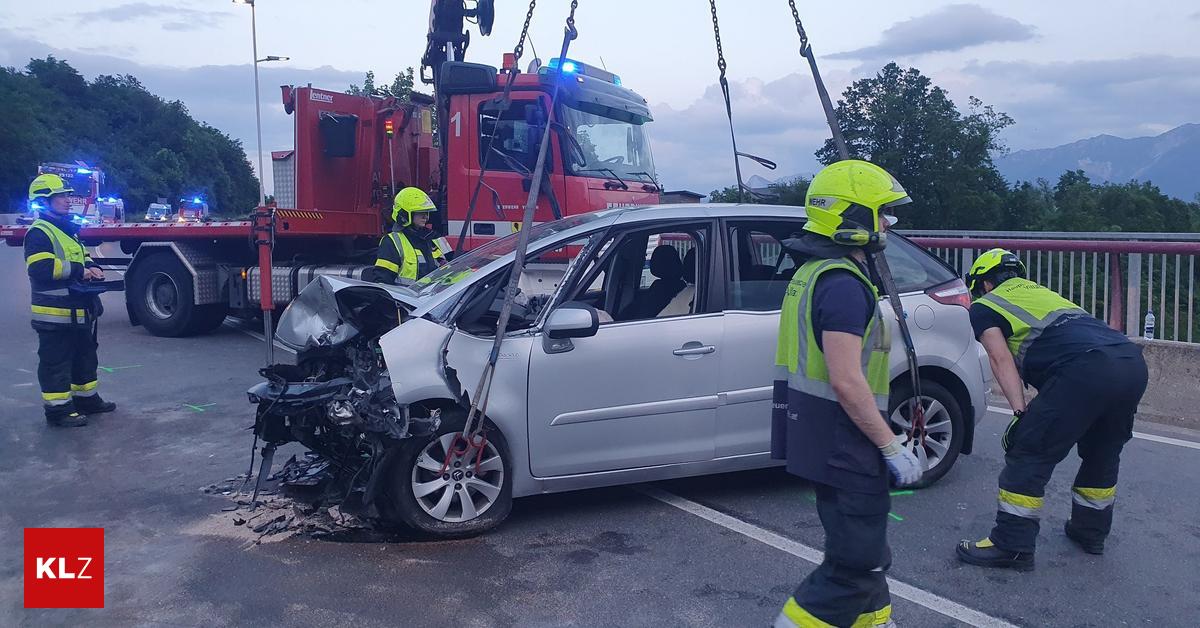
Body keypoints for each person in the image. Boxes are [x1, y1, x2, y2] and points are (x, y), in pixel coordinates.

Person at [772, 160, 922, 628]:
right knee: (855, 565)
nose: (889, 224)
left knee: (863, 549)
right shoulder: (841, 285)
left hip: (821, 437)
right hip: (845, 442)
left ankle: (874, 622)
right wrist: (890, 445)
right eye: (882, 214)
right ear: (851, 218)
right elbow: (846, 379)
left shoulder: (814, 272)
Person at [956, 248, 1147, 570]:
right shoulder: (1046, 294)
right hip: (1130, 363)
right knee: (1102, 452)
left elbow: (1000, 359)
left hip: (1084, 370)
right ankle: (1090, 533)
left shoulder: (985, 306)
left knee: (1028, 452)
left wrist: (1020, 413)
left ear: (984, 284)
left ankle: (1011, 544)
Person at [25, 173, 117, 428]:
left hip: (77, 310)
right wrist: (80, 271)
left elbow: (81, 256)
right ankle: (58, 411)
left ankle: (87, 400)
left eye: (67, 195)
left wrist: (93, 267)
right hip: (54, 314)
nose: (68, 200)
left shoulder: (66, 229)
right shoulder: (39, 232)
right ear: (44, 201)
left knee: (84, 356)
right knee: (56, 363)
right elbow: (41, 268)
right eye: (61, 196)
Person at [373, 187, 449, 284]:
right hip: (404, 299)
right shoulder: (392, 242)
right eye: (420, 212)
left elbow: (453, 266)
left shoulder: (433, 238)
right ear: (404, 214)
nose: (425, 217)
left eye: (426, 212)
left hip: (435, 298)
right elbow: (383, 282)